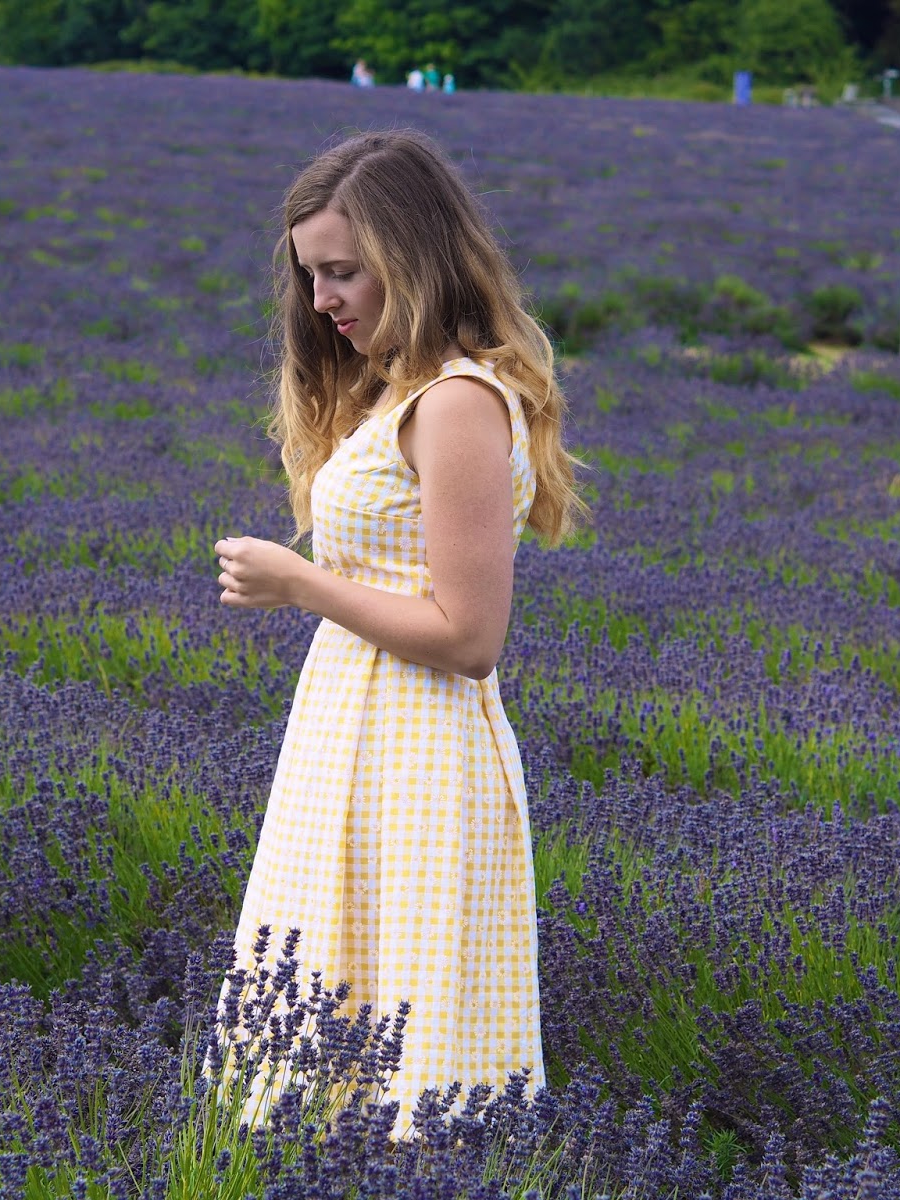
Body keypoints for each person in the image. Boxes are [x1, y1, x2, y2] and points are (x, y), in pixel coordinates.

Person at [212, 130, 586, 1138]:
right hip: (352, 741)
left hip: (416, 756)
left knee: (411, 1046)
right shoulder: (393, 395)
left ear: (410, 258)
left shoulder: (456, 404)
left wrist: (301, 583)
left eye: (343, 271)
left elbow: (469, 636)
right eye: (311, 276)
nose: (324, 298)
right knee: (324, 1019)